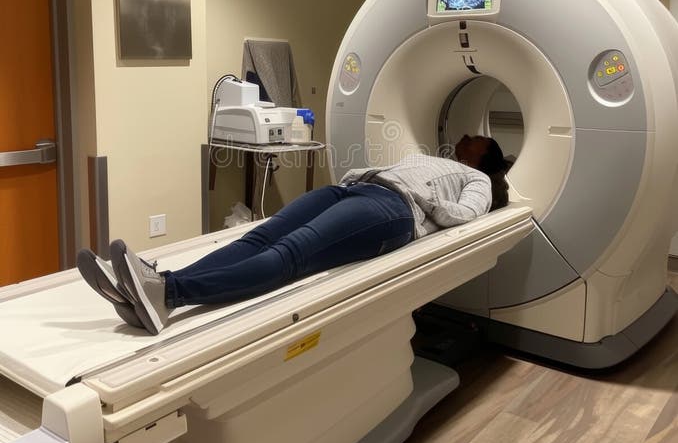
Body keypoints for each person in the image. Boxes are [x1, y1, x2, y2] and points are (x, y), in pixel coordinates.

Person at [77, 135, 510, 335]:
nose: (465, 136)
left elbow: (465, 215)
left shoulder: (480, 181)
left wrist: (424, 199)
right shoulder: (428, 154)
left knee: (291, 253)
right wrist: (360, 178)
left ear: (483, 154)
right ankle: (152, 283)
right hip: (357, 188)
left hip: (397, 211)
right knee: (258, 238)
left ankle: (169, 292)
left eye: (473, 137)